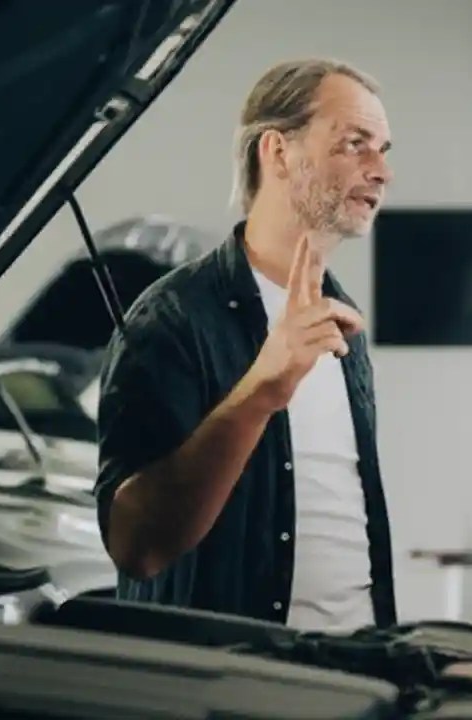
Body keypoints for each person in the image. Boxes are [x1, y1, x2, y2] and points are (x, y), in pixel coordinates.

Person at [95, 58, 397, 634]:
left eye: (384, 149)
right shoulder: (172, 318)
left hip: (354, 670)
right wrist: (263, 390)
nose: (380, 170)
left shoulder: (343, 323)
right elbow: (137, 547)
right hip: (237, 680)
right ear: (278, 152)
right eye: (356, 143)